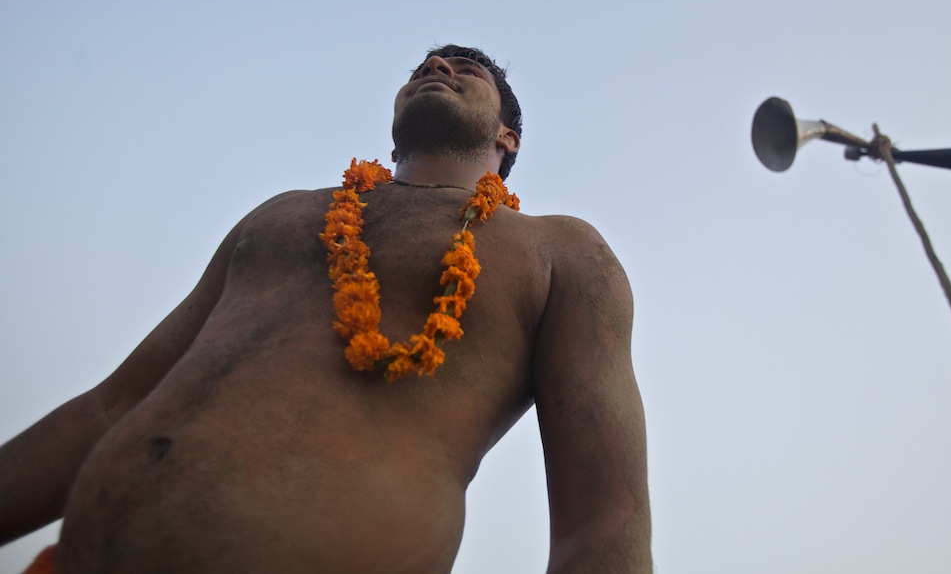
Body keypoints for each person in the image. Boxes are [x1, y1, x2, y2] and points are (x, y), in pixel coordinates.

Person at [0, 45, 651, 573]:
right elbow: (111, 407)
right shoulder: (282, 215)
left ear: (507, 136)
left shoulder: (562, 252)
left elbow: (602, 521)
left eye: (465, 67)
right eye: (423, 66)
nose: (436, 68)